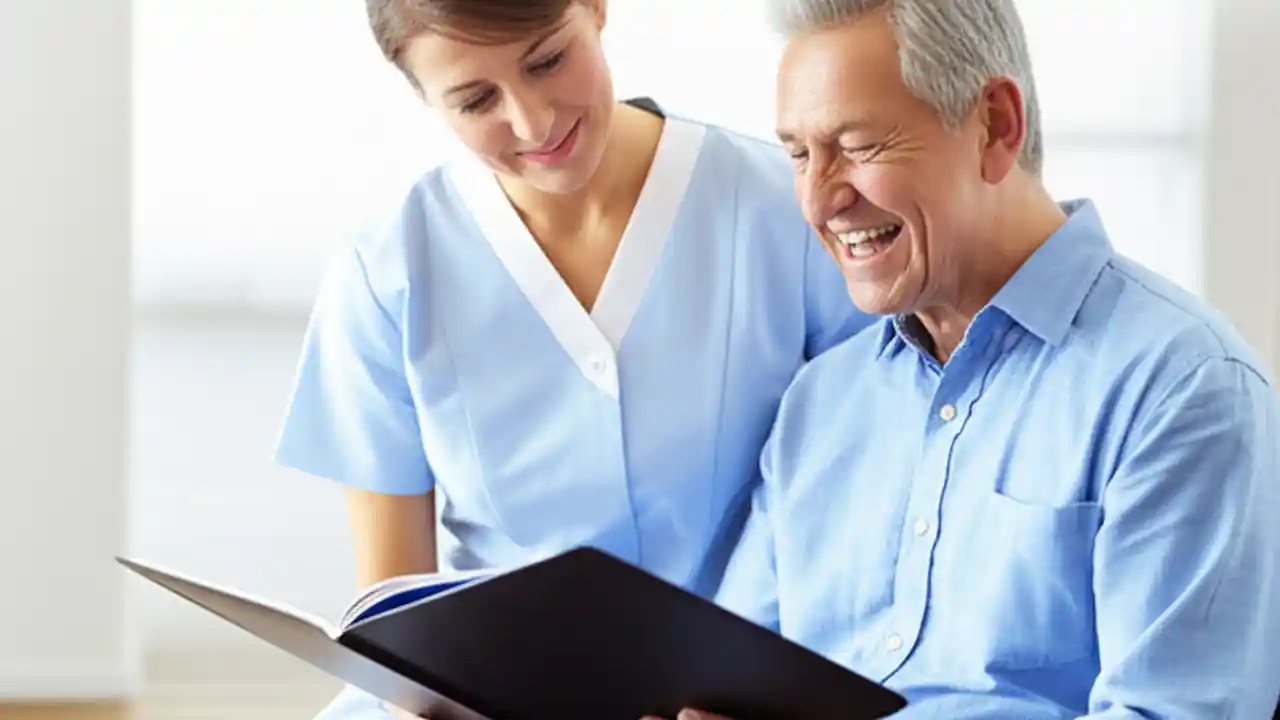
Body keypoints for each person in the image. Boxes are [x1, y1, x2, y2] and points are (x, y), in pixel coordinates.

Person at [646, 0, 1280, 718]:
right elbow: (729, 686)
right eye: (798, 155)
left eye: (858, 145)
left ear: (995, 126)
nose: (820, 200)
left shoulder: (1182, 389)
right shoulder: (819, 404)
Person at [272, 0, 872, 717]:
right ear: (422, 96)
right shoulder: (387, 271)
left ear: (595, 8)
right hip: (487, 698)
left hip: (739, 693)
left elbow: (861, 517)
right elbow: (393, 626)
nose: (534, 122)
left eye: (548, 60)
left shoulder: (786, 211)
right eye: (474, 100)